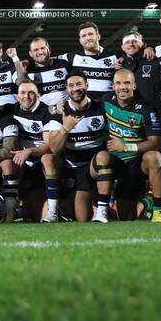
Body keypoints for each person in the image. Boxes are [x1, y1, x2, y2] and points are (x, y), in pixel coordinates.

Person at [46, 72, 113, 222]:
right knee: (82, 218)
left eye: (79, 84)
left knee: (104, 156)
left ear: (87, 85)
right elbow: (55, 149)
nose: (75, 89)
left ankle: (102, 212)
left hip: (93, 166)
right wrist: (66, 128)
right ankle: (55, 212)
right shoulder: (59, 112)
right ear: (66, 89)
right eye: (71, 85)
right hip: (71, 167)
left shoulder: (101, 108)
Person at [103, 68, 161, 221]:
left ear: (134, 86)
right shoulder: (105, 101)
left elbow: (156, 142)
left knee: (155, 157)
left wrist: (125, 147)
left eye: (126, 83)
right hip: (116, 163)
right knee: (127, 217)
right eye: (118, 83)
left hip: (137, 163)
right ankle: (146, 202)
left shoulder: (146, 108)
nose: (122, 87)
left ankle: (157, 210)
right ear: (113, 86)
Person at [10, 79, 63, 221]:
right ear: (17, 96)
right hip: (24, 163)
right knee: (9, 161)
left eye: (31, 93)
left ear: (38, 95)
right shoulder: (11, 109)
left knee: (47, 158)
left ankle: (53, 212)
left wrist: (29, 151)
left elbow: (50, 145)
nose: (26, 96)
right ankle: (13, 209)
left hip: (44, 161)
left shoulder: (50, 111)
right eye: (22, 93)